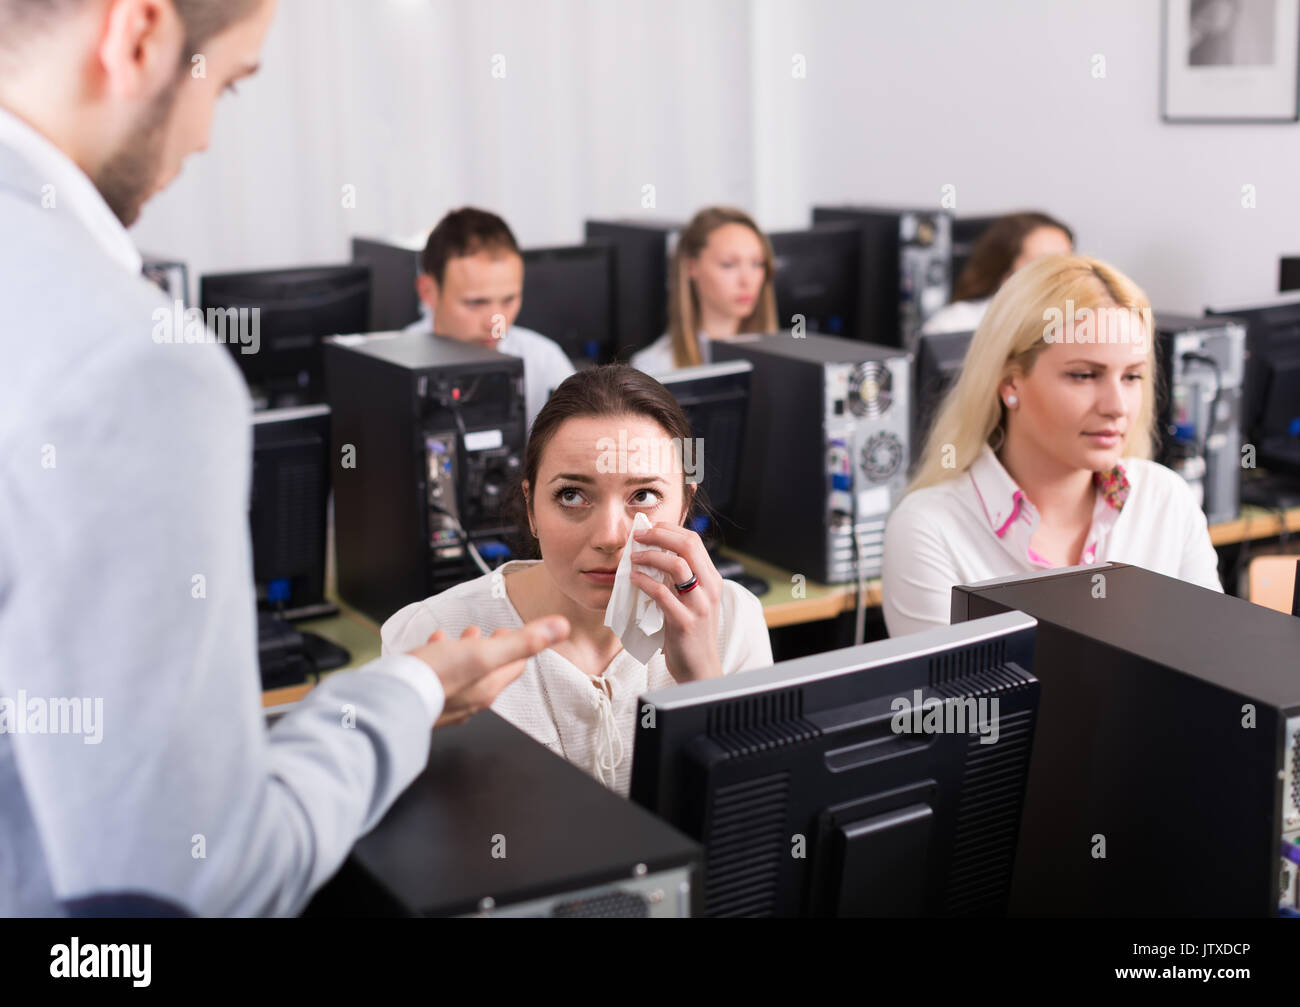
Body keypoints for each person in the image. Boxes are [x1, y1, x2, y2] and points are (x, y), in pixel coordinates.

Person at [0, 0, 568, 917]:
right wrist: (409, 689)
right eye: (226, 82)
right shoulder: (133, 363)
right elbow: (202, 883)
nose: (208, 135)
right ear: (138, 34)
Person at [381, 365, 773, 796]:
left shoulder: (733, 620)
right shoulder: (433, 634)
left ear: (683, 509)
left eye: (643, 496)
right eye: (571, 495)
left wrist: (705, 681)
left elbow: (752, 822)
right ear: (531, 508)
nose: (609, 537)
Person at [883, 254, 1223, 638]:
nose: (1116, 407)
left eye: (1132, 377)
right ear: (1010, 382)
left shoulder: (1165, 499)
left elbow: (1211, 663)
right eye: (1083, 375)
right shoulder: (930, 528)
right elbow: (954, 698)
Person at [403, 206, 575, 429]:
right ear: (428, 292)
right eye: (476, 302)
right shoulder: (394, 371)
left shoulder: (544, 361)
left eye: (509, 300)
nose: (496, 324)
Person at [630, 206, 778, 374]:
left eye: (757, 263)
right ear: (692, 267)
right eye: (728, 264)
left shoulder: (782, 359)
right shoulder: (653, 367)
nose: (747, 280)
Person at [922, 211, 1074, 336]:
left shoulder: (1077, 324)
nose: (1058, 274)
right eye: (1043, 264)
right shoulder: (954, 324)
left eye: (1065, 263)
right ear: (1005, 272)